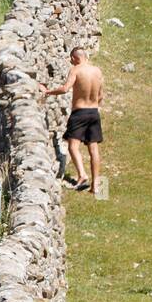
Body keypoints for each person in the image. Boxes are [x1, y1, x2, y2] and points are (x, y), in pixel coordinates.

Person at [41, 46, 104, 193]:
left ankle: (82, 175)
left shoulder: (76, 70)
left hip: (80, 112)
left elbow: (65, 89)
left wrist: (48, 92)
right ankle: (95, 186)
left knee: (73, 146)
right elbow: (101, 95)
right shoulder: (97, 71)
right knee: (93, 149)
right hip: (94, 112)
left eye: (72, 60)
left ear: (75, 58)